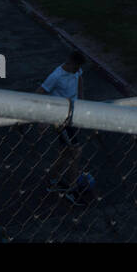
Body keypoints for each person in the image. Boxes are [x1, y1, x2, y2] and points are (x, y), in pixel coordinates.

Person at [39, 51, 95, 204]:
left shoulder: (77, 70)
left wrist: (83, 102)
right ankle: (72, 189)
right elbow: (39, 94)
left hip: (73, 117)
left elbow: (80, 79)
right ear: (70, 62)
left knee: (64, 153)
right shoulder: (55, 76)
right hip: (61, 119)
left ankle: (51, 181)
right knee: (76, 152)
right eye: (77, 67)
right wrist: (42, 119)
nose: (78, 70)